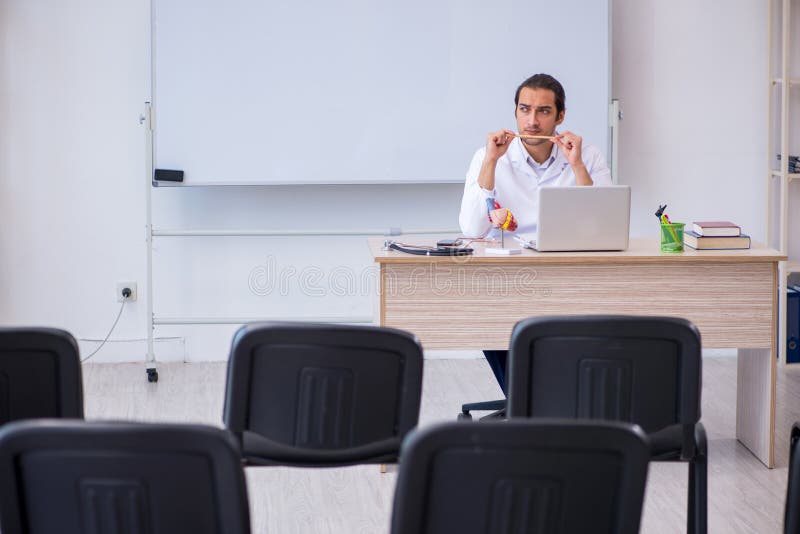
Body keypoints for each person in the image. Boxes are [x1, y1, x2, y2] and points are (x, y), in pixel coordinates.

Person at [458, 73, 612, 395]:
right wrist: (490, 161)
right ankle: (528, 405)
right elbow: (472, 229)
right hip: (508, 275)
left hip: (567, 273)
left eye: (543, 111)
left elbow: (603, 226)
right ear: (515, 112)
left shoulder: (588, 157)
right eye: (524, 109)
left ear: (560, 116)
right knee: (487, 314)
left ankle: (535, 407)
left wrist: (577, 166)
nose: (532, 121)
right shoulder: (489, 157)